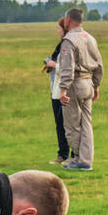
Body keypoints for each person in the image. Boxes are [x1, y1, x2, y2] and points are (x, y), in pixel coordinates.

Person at [55, 8, 103, 171]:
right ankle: (87, 159)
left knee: (72, 124)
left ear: (68, 20)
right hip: (89, 83)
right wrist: (96, 85)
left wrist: (63, 89)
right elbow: (99, 65)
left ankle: (78, 158)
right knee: (87, 123)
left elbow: (68, 68)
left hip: (75, 84)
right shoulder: (90, 38)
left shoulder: (69, 40)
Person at [43, 18, 70, 165]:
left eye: (59, 28)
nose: (58, 31)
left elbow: (69, 67)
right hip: (56, 89)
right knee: (59, 124)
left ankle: (68, 154)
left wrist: (54, 65)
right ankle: (63, 153)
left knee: (67, 124)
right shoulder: (61, 45)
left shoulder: (68, 45)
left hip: (63, 90)